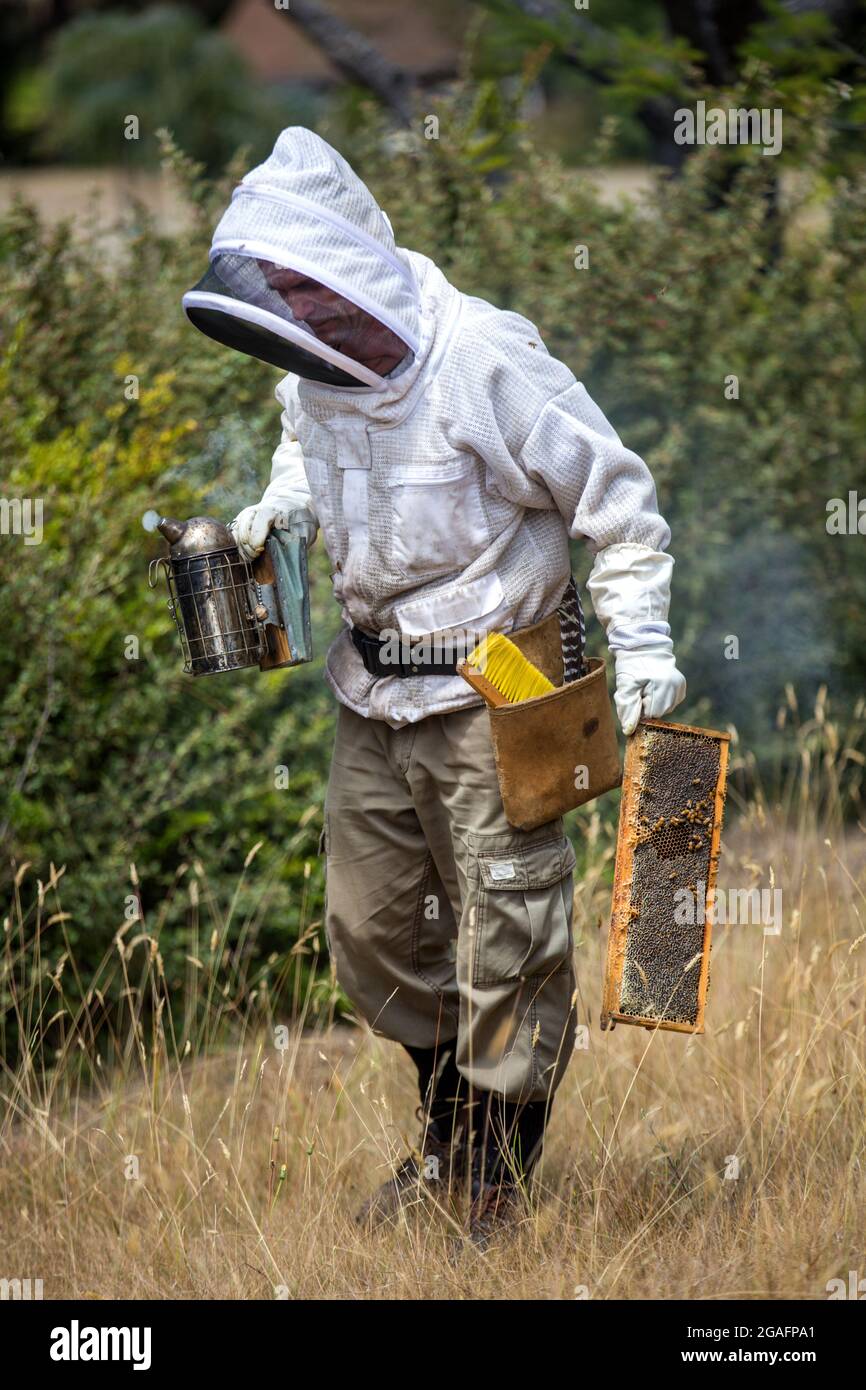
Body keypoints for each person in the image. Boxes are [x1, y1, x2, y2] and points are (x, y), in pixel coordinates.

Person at [182, 127, 686, 1246]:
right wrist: (287, 510)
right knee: (369, 934)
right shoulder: (313, 361)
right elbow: (298, 438)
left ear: (339, 274)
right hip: (369, 690)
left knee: (506, 933)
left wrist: (640, 644)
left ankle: (483, 1175)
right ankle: (451, 1119)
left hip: (498, 687)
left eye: (302, 301)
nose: (296, 331)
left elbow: (618, 497)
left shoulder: (482, 358)